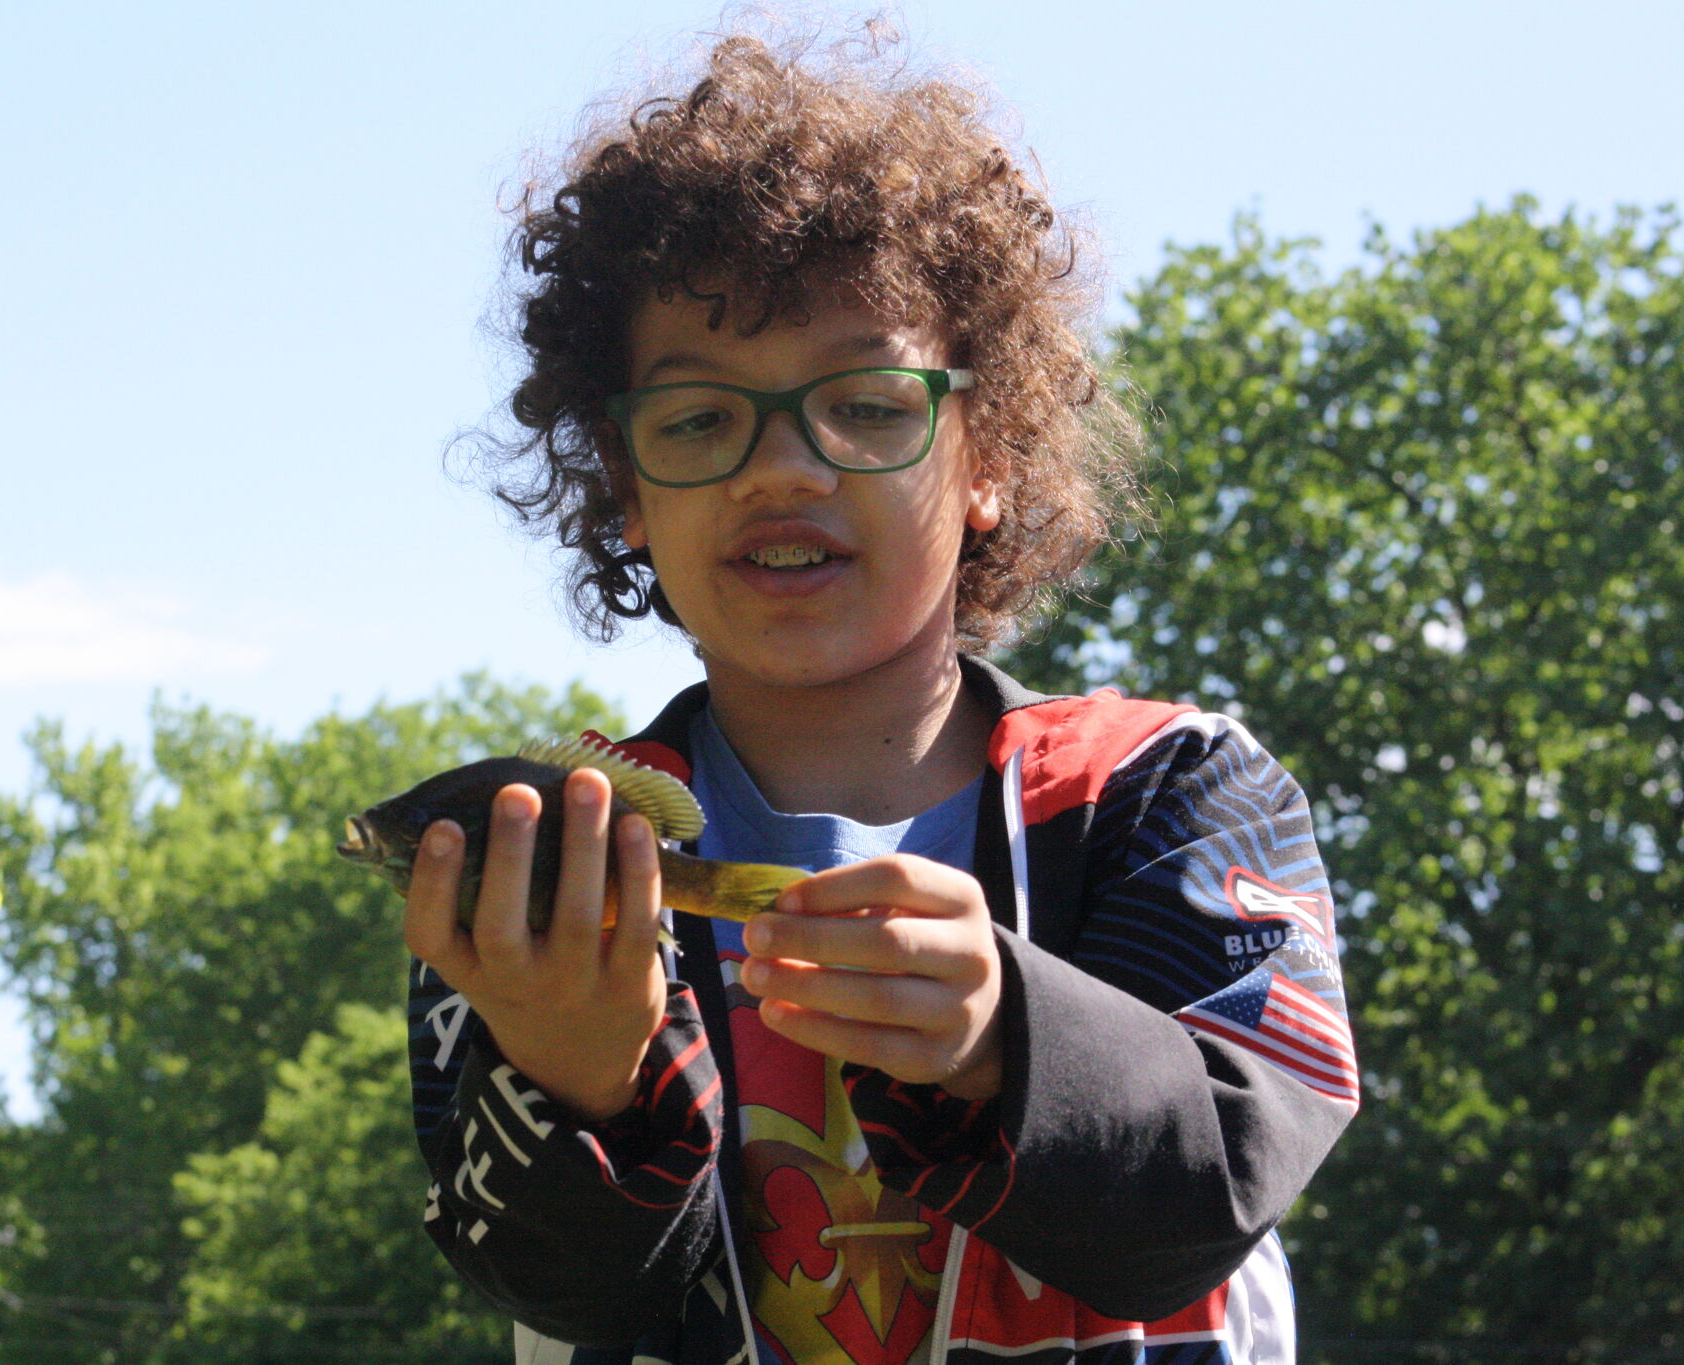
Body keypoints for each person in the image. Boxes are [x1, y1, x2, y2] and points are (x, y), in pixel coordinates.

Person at [404, 29, 1356, 1365]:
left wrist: (1001, 1038)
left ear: (991, 455)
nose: (780, 467)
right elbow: (557, 1289)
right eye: (694, 422)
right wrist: (582, 1075)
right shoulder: (544, 847)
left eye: (862, 406)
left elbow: (1215, 1186)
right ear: (625, 489)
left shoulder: (1177, 793)